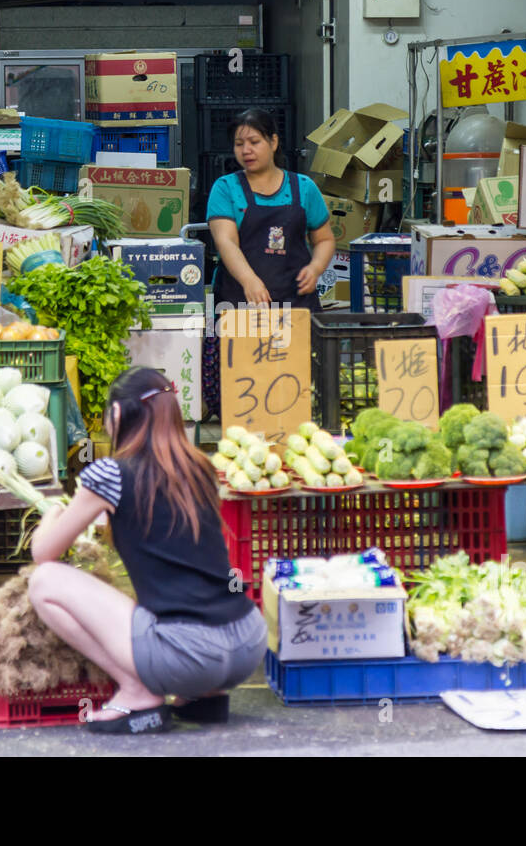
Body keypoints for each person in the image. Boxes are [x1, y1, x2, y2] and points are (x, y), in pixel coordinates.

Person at [27, 367, 267, 735]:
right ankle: (204, 697)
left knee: (44, 581)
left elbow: (45, 552)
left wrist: (54, 515)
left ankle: (138, 692)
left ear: (118, 415)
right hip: (247, 644)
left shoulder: (111, 474)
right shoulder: (201, 466)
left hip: (188, 655)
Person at [207, 108, 336, 310]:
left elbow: (325, 239)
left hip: (295, 304)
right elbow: (226, 241)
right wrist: (248, 280)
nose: (246, 150)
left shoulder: (304, 187)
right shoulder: (225, 188)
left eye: (254, 142)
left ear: (273, 142)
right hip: (239, 304)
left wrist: (315, 268)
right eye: (239, 144)